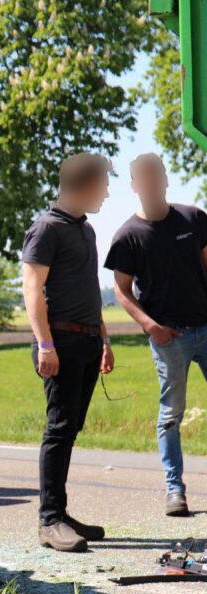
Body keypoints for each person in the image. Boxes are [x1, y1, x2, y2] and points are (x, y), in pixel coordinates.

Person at [21, 152, 115, 553]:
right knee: (59, 429)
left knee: (71, 429)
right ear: (83, 185)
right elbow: (31, 289)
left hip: (88, 340)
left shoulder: (85, 230)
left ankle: (60, 512)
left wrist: (104, 338)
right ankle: (49, 521)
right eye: (102, 185)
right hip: (58, 341)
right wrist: (45, 344)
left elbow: (90, 290)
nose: (107, 193)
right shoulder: (45, 229)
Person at [104, 153, 207, 517]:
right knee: (171, 415)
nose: (150, 184)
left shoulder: (194, 219)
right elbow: (121, 291)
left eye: (156, 176)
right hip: (169, 339)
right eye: (142, 180)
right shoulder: (127, 236)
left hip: (206, 328)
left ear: (165, 179)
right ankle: (174, 491)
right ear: (134, 187)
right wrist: (149, 326)